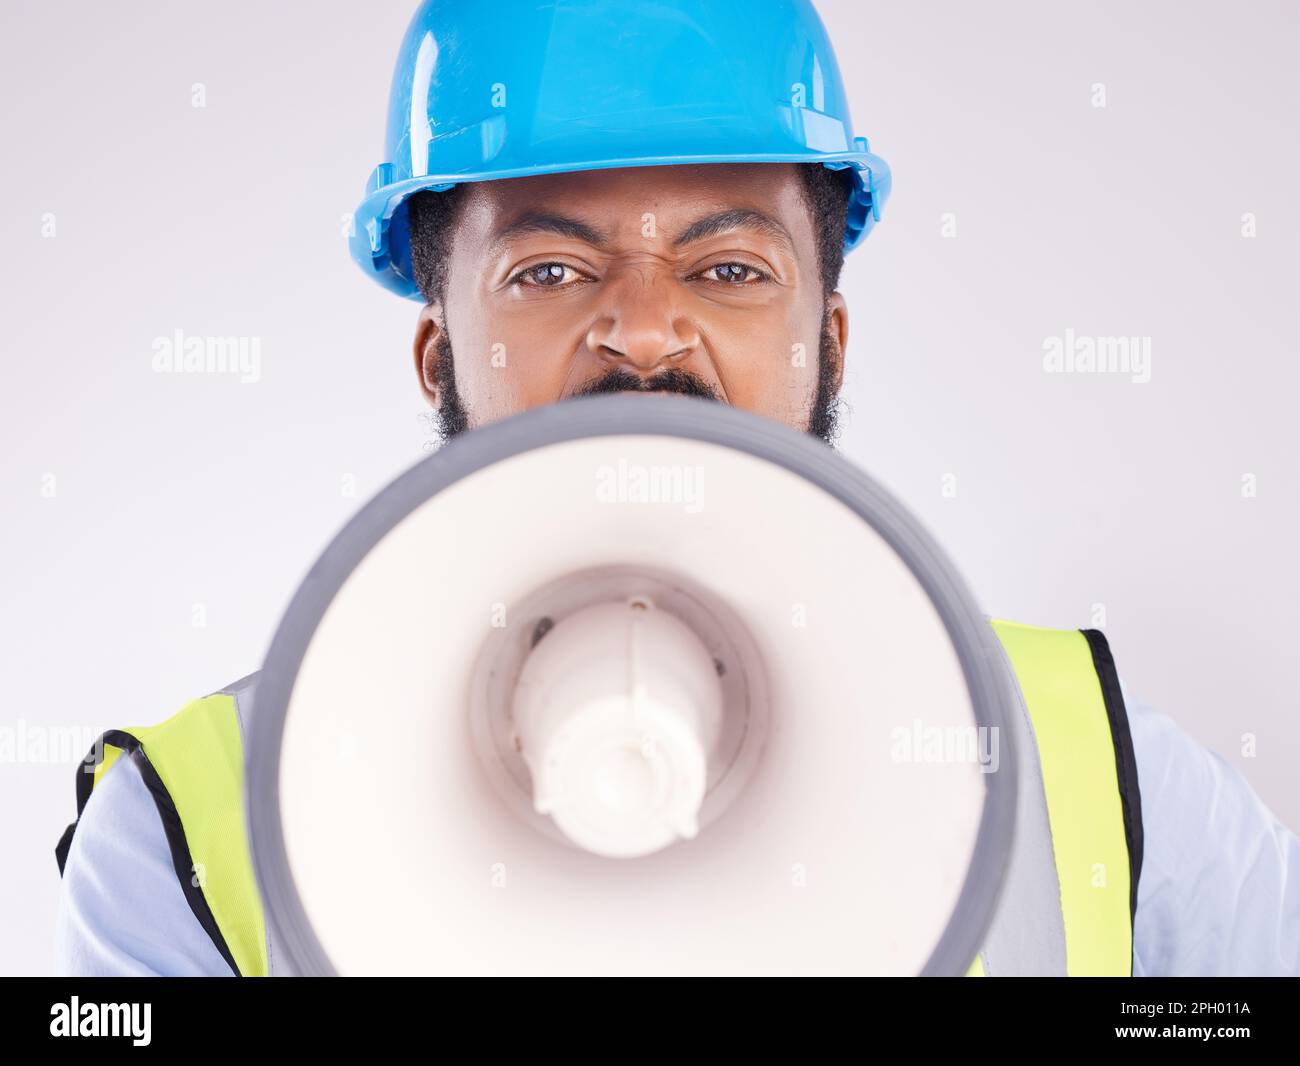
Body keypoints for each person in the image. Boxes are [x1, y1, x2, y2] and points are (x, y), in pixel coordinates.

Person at [55, 0, 1299, 976]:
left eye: (729, 267)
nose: (644, 334)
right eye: (547, 270)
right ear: (439, 352)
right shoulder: (180, 831)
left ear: (832, 340)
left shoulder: (1111, 773)